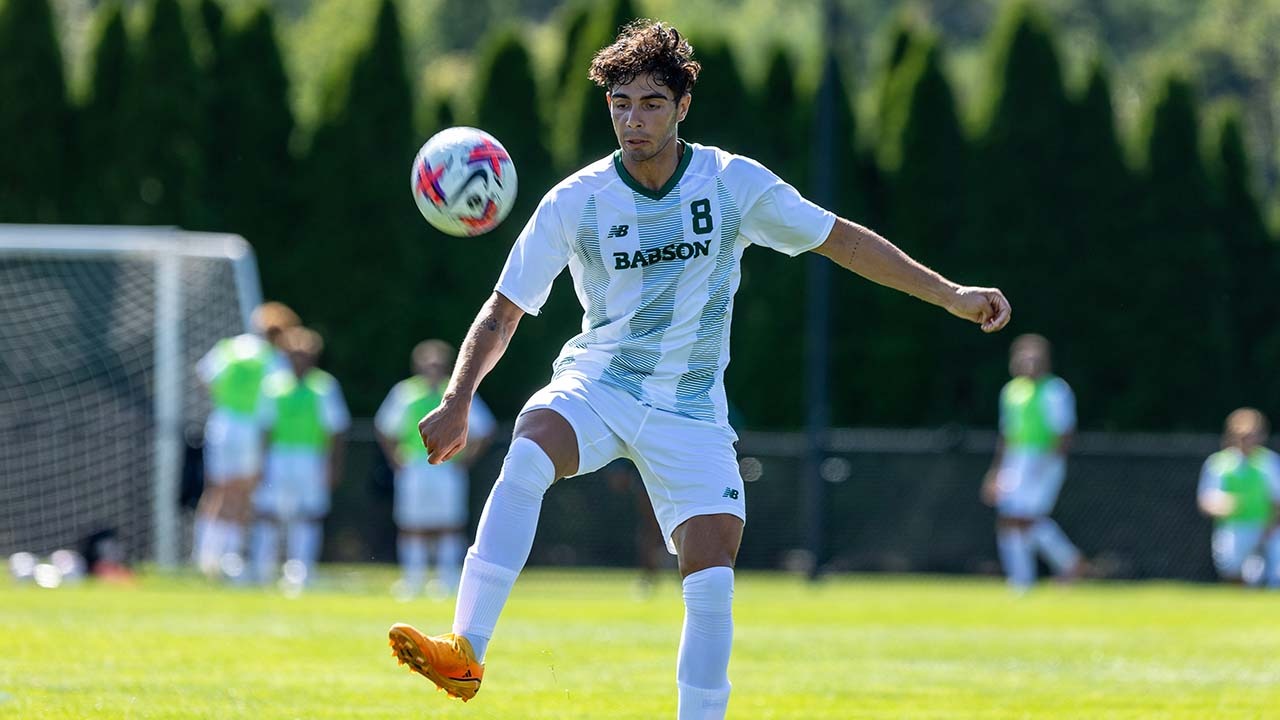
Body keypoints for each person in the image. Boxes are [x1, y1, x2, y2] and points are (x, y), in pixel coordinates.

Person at [387, 20, 1010, 718]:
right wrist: (458, 397)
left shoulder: (731, 182)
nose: (633, 119)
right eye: (621, 103)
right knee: (529, 448)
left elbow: (843, 242)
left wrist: (949, 293)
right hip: (601, 382)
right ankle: (467, 650)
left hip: (691, 409)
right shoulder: (575, 200)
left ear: (683, 106)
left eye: (651, 103)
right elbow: (503, 312)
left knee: (711, 580)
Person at [376, 340, 496, 599]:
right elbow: (384, 427)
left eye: (438, 364)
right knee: (411, 524)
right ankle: (413, 580)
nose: (432, 369)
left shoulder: (457, 392)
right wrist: (396, 460)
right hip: (415, 466)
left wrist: (465, 460)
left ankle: (447, 581)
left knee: (449, 524)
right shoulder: (405, 393)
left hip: (447, 467)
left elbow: (485, 429)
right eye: (427, 364)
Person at [193, 301, 299, 578]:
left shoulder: (231, 347)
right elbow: (277, 399)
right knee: (242, 492)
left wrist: (223, 398)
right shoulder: (274, 359)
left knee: (217, 489)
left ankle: (205, 555)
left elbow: (204, 375)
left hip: (222, 423)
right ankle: (229, 556)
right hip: (250, 428)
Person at [981, 334, 1085, 590]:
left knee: (1026, 518)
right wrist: (996, 471)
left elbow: (1064, 433)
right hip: (1015, 459)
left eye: (1034, 359)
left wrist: (1047, 464)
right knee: (1008, 519)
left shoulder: (1055, 390)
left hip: (1043, 459)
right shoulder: (1011, 391)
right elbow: (1006, 435)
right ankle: (1021, 580)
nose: (1027, 364)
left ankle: (1071, 562)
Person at [249, 326, 350, 589]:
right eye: (294, 354)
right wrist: (260, 462)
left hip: (311, 458)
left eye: (305, 355)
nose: (299, 361)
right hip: (279, 456)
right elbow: (265, 427)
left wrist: (333, 465)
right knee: (269, 511)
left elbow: (336, 430)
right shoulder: (273, 386)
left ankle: (300, 571)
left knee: (308, 514)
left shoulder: (324, 386)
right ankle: (262, 569)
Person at [1197, 408, 1280, 586]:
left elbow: (1277, 499)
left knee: (1274, 574)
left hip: (1266, 527)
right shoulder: (1218, 463)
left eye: (1253, 435)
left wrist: (1269, 528)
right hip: (1234, 528)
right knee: (1232, 573)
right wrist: (1221, 505)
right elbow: (1206, 500)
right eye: (1243, 435)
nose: (1248, 440)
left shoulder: (1268, 462)